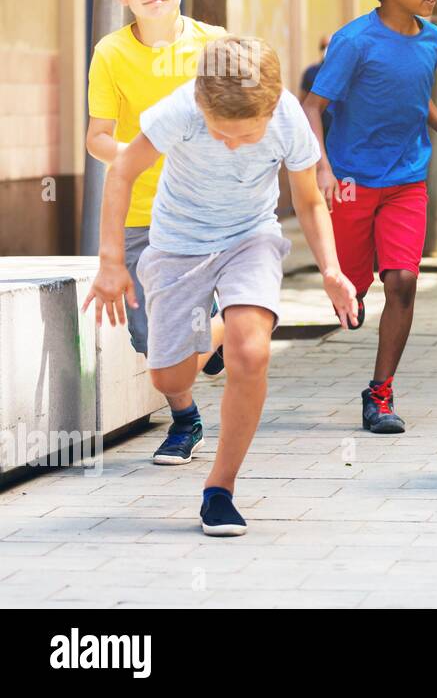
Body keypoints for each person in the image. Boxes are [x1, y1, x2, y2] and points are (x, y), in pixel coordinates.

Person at [83, 36, 358, 536]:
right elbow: (122, 171)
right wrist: (110, 261)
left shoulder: (288, 118)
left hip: (249, 238)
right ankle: (214, 333)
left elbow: (309, 201)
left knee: (251, 353)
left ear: (271, 108)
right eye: (220, 133)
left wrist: (332, 271)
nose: (231, 144)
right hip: (177, 244)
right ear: (202, 104)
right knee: (169, 380)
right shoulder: (182, 108)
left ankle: (220, 489)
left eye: (244, 137)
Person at [303, 0, 437, 434]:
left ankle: (380, 393)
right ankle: (231, 333)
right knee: (350, 288)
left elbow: (416, 96)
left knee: (402, 281)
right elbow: (312, 106)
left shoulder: (433, 38)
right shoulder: (354, 41)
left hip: (407, 180)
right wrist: (322, 167)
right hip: (353, 184)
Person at [85, 0, 227, 466]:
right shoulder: (111, 53)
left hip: (210, 214)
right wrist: (144, 152)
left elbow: (245, 119)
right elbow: (97, 137)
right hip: (142, 213)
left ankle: (187, 408)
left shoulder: (215, 45)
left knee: (199, 332)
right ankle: (188, 409)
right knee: (149, 339)